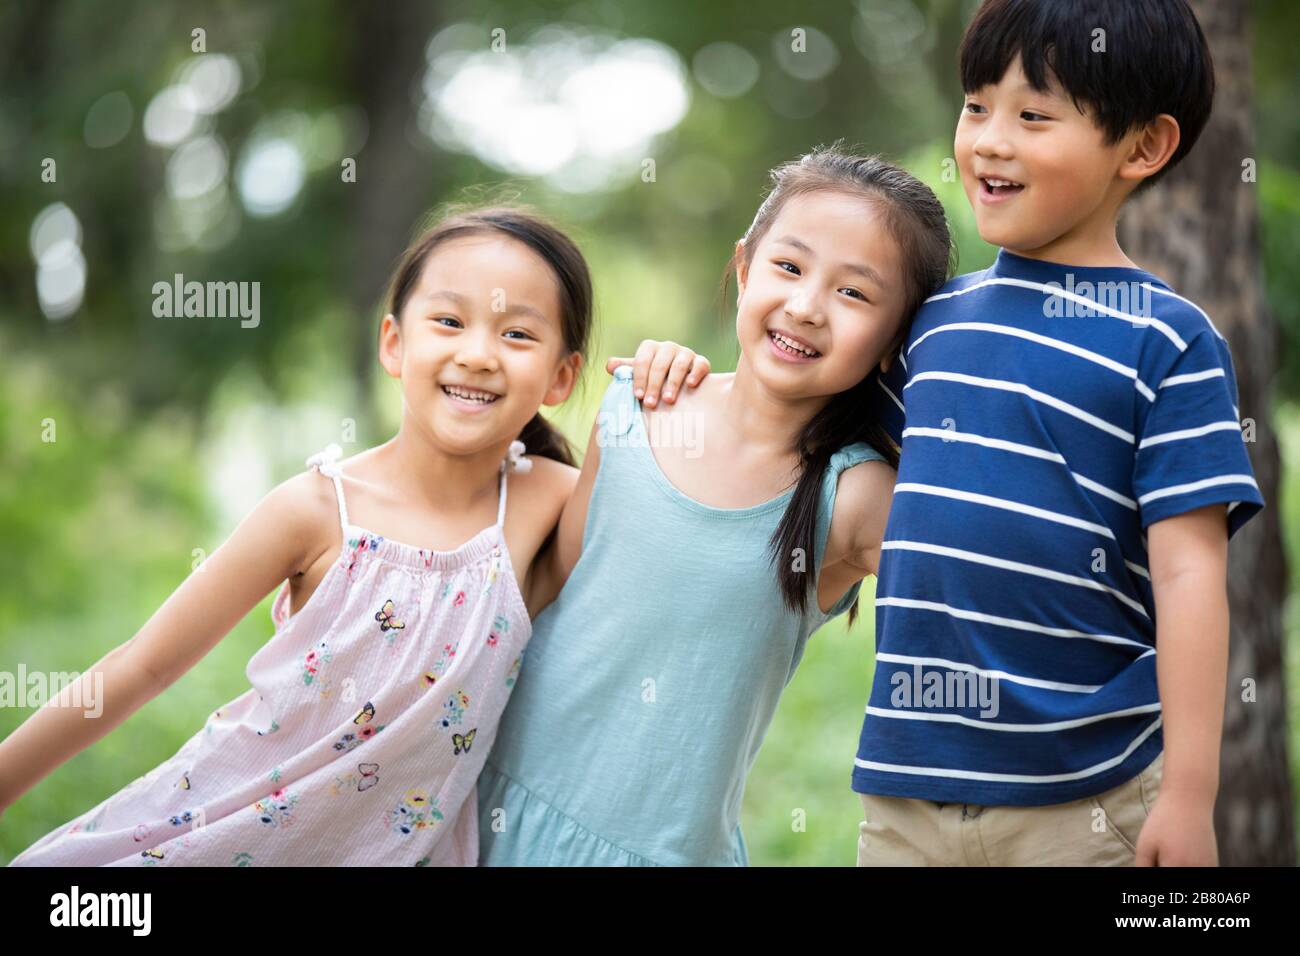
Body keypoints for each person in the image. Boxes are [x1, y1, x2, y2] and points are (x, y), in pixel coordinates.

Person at [1, 205, 705, 866]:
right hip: (207, 832)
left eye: (517, 334)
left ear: (560, 377)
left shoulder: (542, 502)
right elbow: (141, 667)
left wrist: (656, 385)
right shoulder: (314, 509)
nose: (481, 354)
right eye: (449, 321)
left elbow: (670, 544)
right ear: (394, 343)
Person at [852, 0, 1264, 866]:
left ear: (1143, 147)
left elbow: (1191, 573)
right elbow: (837, 458)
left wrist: (1190, 797)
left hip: (1087, 798)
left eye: (1034, 115)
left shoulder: (1169, 340)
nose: (990, 140)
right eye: (975, 105)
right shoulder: (932, 323)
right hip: (904, 790)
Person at [477, 146, 954, 865]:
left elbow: (986, 590)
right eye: (788, 268)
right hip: (493, 812)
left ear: (896, 340)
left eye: (855, 294)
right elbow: (548, 595)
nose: (804, 307)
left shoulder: (853, 497)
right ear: (742, 269)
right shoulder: (635, 405)